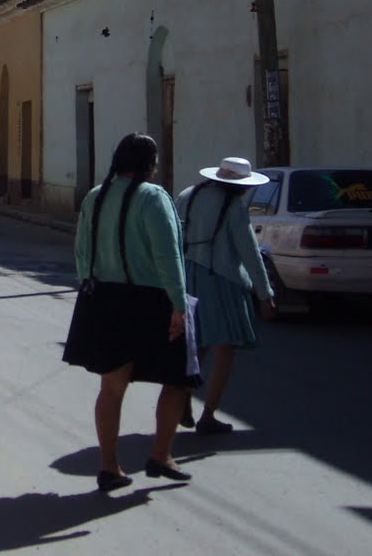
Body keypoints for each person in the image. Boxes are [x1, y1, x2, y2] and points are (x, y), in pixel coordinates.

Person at [64, 133, 198, 492]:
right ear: (149, 164)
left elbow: (81, 252)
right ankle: (161, 455)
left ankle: (110, 466)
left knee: (112, 386)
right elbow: (168, 256)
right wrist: (178, 303)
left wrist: (89, 287)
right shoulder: (154, 198)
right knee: (178, 378)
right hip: (150, 300)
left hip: (103, 299)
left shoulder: (96, 196)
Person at [174, 156, 276, 436]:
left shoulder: (187, 195)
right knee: (224, 349)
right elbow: (248, 251)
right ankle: (208, 414)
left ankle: (182, 395)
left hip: (187, 277)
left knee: (198, 346)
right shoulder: (232, 206)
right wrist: (264, 293)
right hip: (220, 280)